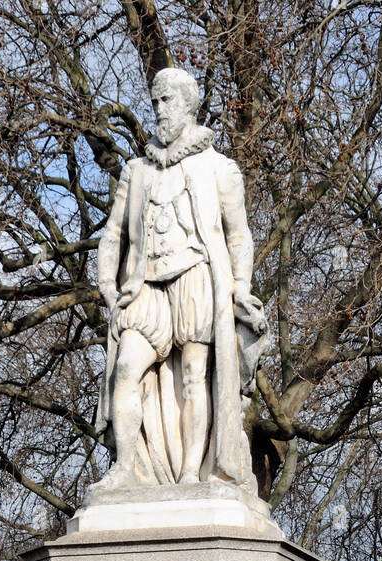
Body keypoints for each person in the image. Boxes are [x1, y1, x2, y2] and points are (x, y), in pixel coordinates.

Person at [94, 66, 269, 492]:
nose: (158, 109)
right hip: (145, 285)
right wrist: (108, 286)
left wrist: (241, 286)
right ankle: (124, 469)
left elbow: (239, 234)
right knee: (125, 370)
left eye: (166, 100)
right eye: (154, 101)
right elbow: (113, 234)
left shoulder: (219, 167)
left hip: (196, 278)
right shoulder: (136, 171)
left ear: (189, 105)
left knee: (195, 376)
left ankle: (193, 472)